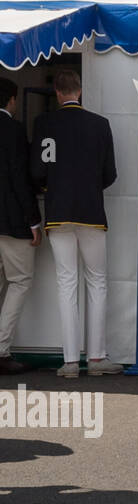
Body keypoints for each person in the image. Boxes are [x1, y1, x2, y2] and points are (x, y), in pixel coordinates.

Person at [31, 69, 120, 378]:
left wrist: (51, 188)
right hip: (92, 213)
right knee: (97, 282)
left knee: (66, 283)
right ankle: (96, 358)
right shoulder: (100, 125)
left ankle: (70, 361)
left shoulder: (45, 124)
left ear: (57, 92)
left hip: (57, 212)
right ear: (79, 91)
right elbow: (110, 174)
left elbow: (37, 171)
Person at [0, 77, 39, 374]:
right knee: (20, 281)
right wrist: (33, 220)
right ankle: (1, 350)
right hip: (11, 220)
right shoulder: (12, 130)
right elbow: (19, 178)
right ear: (12, 100)